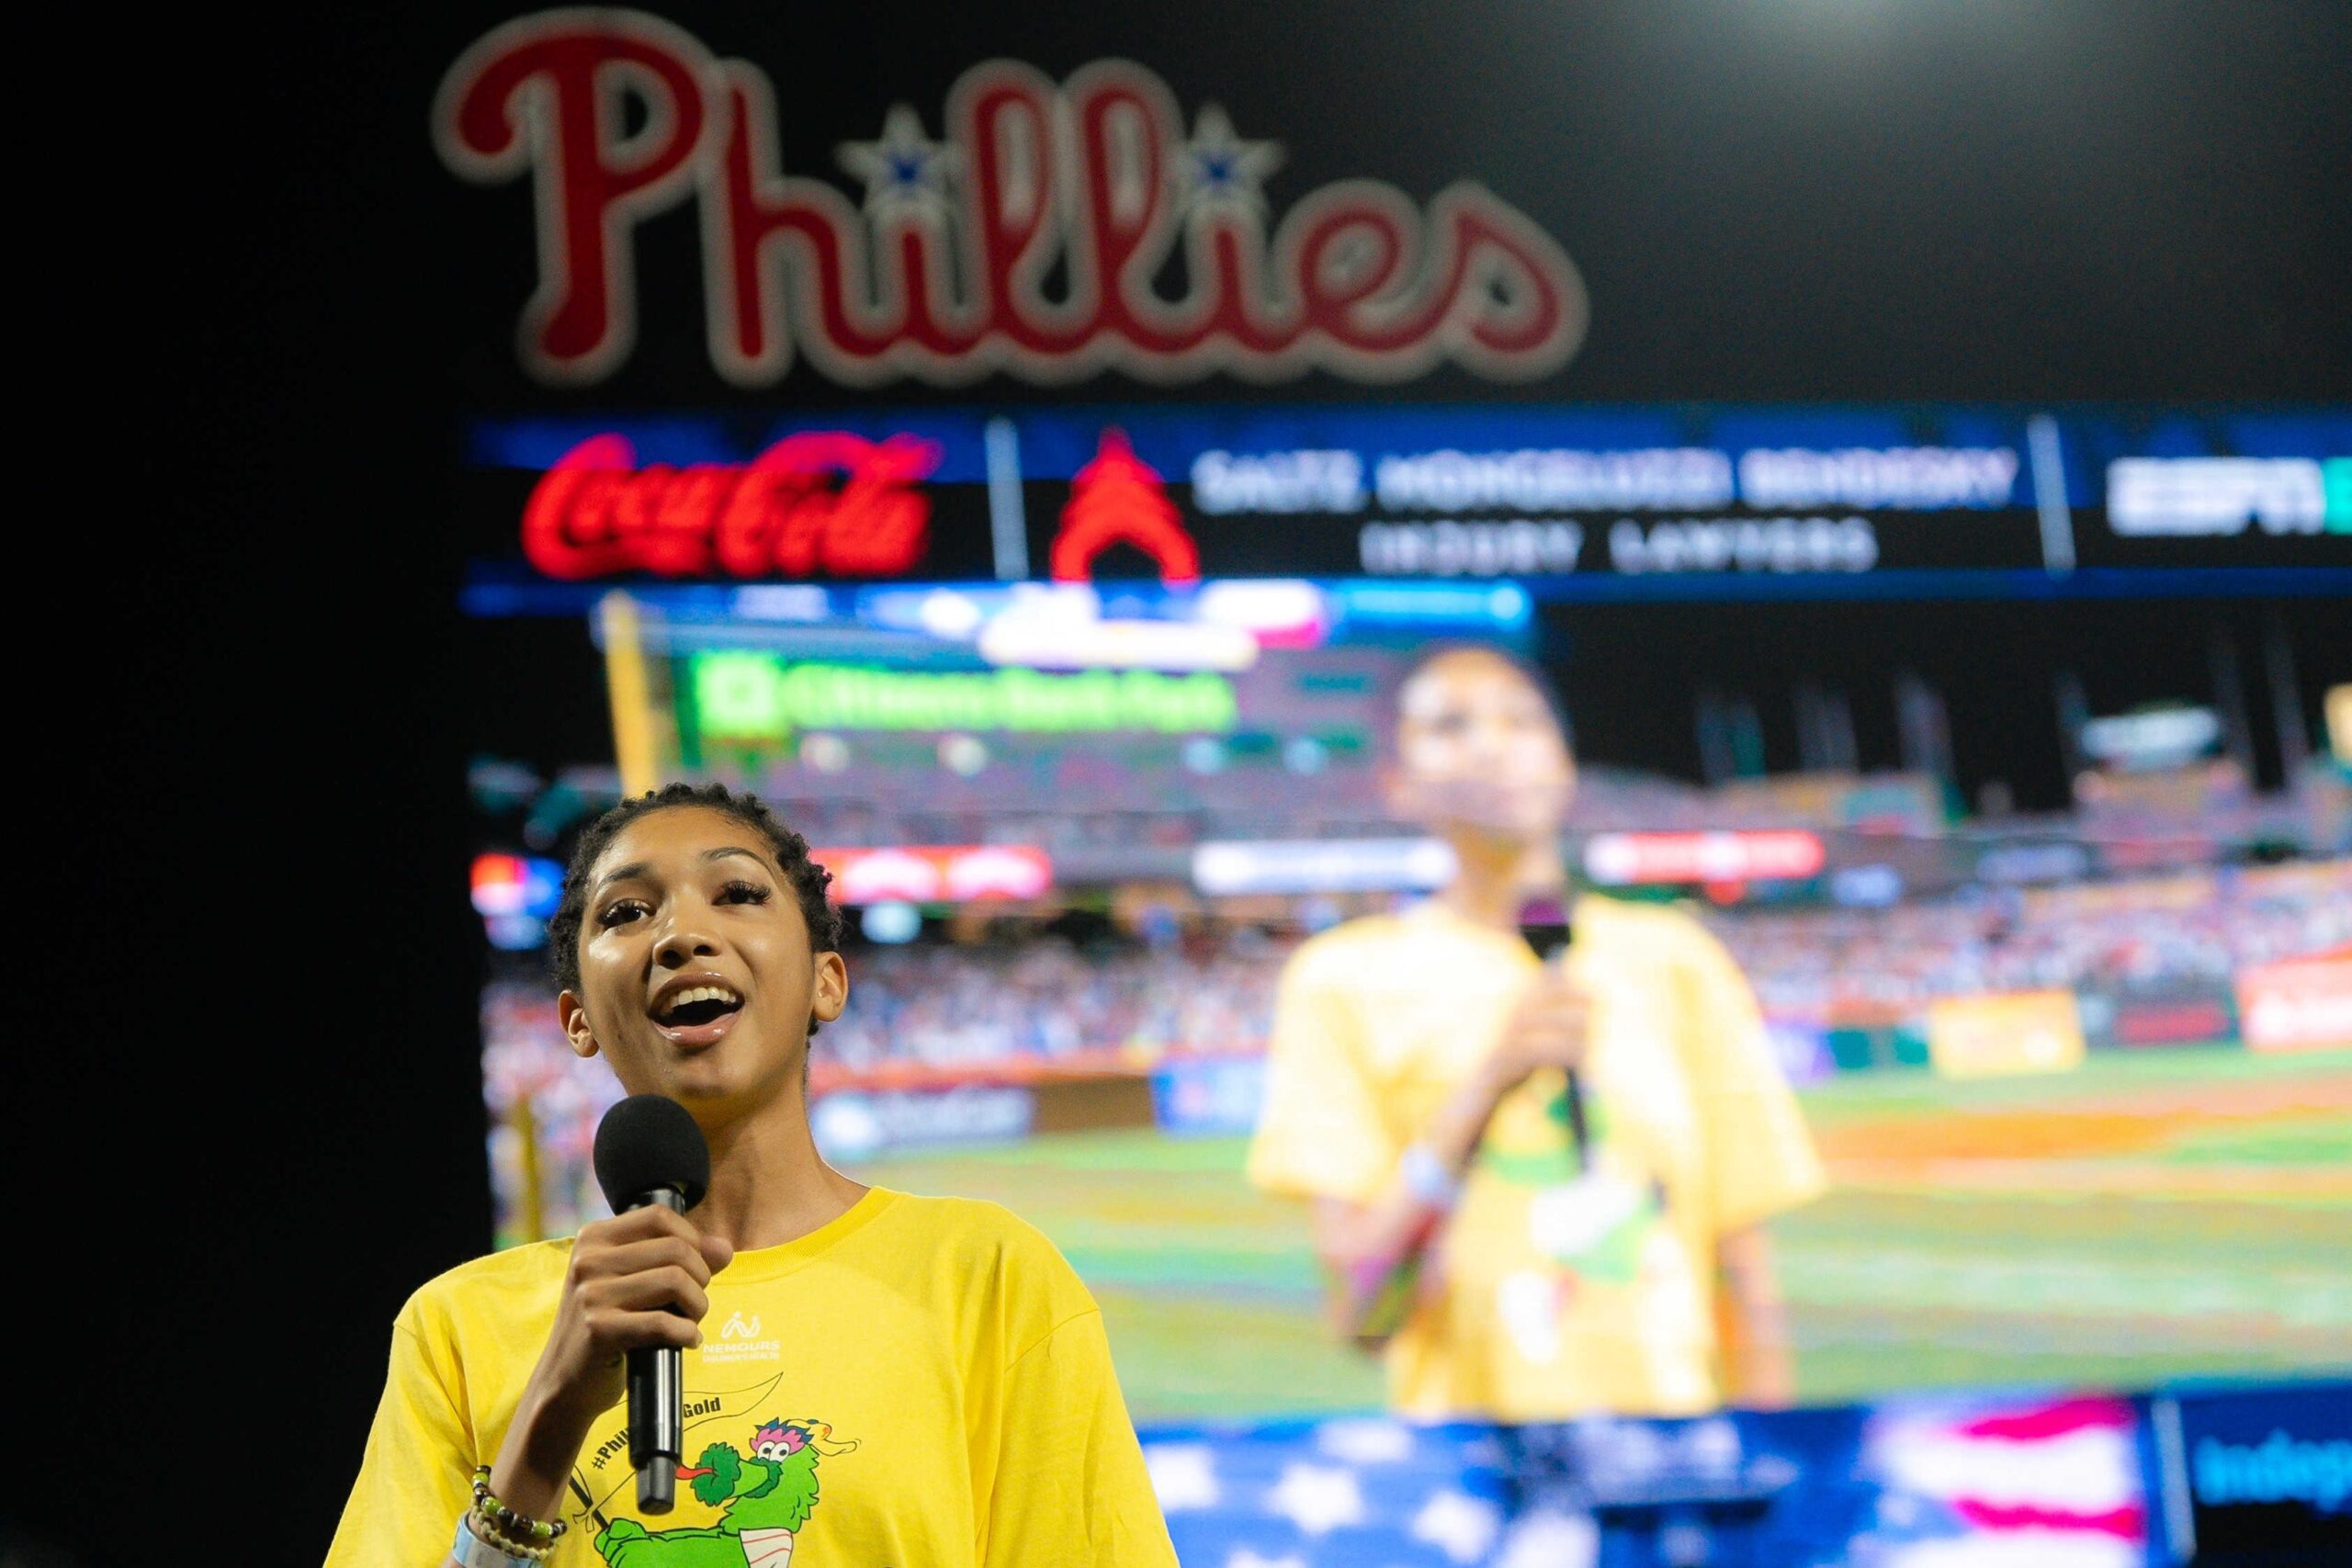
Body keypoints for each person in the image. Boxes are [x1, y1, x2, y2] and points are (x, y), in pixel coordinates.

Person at [330, 783, 1175, 1567]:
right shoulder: (456, 1328)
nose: (681, 935)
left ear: (826, 980)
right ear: (577, 1019)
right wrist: (544, 1426)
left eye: (737, 893)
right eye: (627, 911)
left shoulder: (987, 1276)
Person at [1247, 646, 1825, 1424]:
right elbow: (1362, 1313)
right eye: (1450, 724)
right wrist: (1489, 1083)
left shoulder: (1675, 957)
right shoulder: (1341, 979)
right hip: (1476, 1477)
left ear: (1563, 762)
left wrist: (1765, 1457)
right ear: (1397, 782)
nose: (1494, 742)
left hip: (1672, 1460)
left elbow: (1742, 1275)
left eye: (1522, 719)